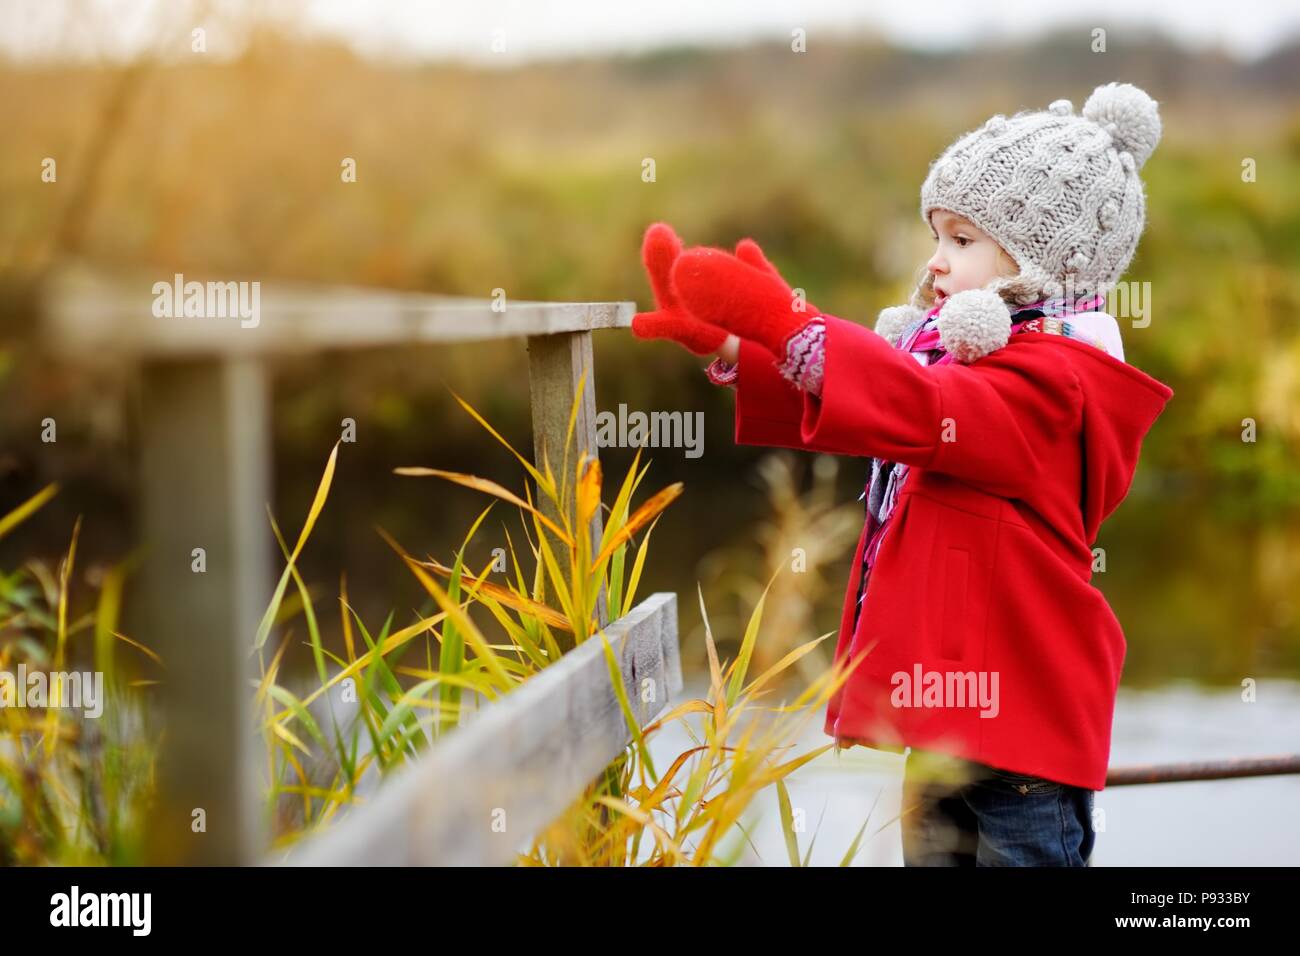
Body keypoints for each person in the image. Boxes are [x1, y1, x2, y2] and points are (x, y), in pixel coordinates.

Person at [630, 82, 1174, 866]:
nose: (937, 259)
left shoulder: (1060, 384)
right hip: (954, 720)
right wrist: (738, 348)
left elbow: (920, 408)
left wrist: (796, 331)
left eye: (962, 239)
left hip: (1022, 742)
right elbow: (888, 404)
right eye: (937, 234)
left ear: (1039, 259)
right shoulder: (968, 362)